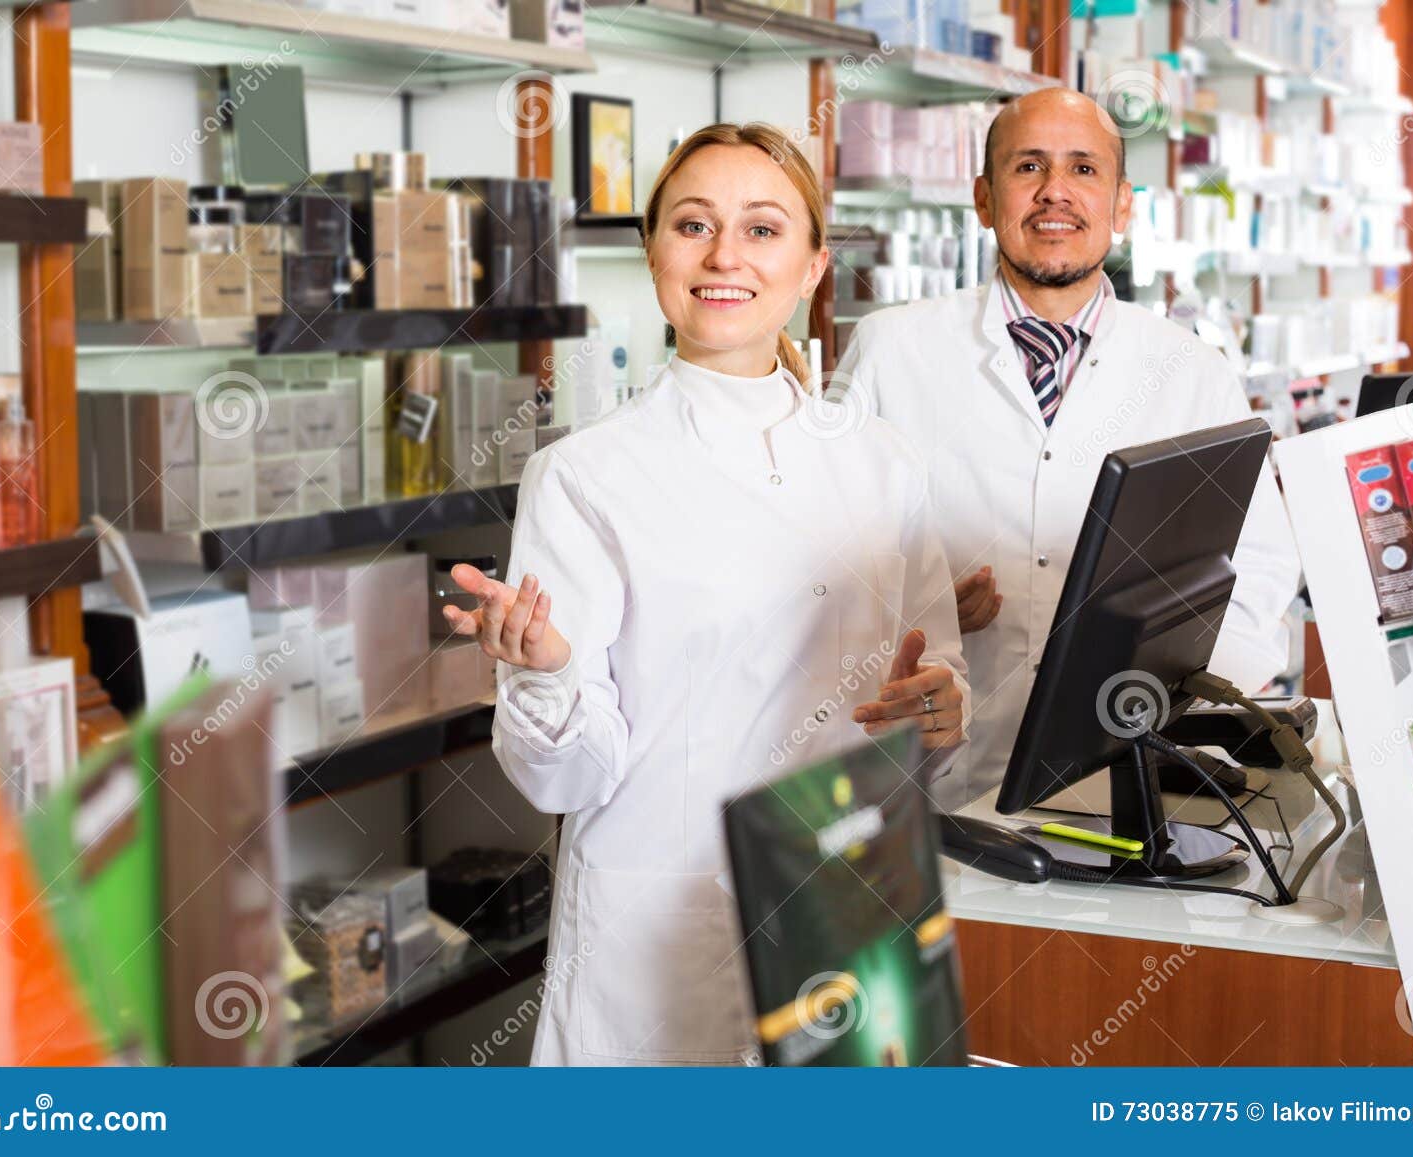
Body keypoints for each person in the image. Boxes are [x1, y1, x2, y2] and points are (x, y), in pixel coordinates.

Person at [441, 123, 969, 1066]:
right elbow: (566, 778)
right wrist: (546, 676)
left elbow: (935, 677)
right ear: (653, 254)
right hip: (658, 943)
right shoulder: (585, 477)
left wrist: (940, 704)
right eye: (693, 224)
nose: (725, 255)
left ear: (813, 267)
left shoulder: (883, 464)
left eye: (764, 229)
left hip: (844, 911)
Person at [835, 89, 1301, 811]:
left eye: (1084, 169)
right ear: (985, 199)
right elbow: (823, 563)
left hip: (1128, 774)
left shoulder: (1192, 370)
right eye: (1029, 167)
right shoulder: (890, 349)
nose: (1055, 191)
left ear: (1121, 205)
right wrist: (917, 613)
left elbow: (1260, 569)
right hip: (931, 782)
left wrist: (1167, 690)